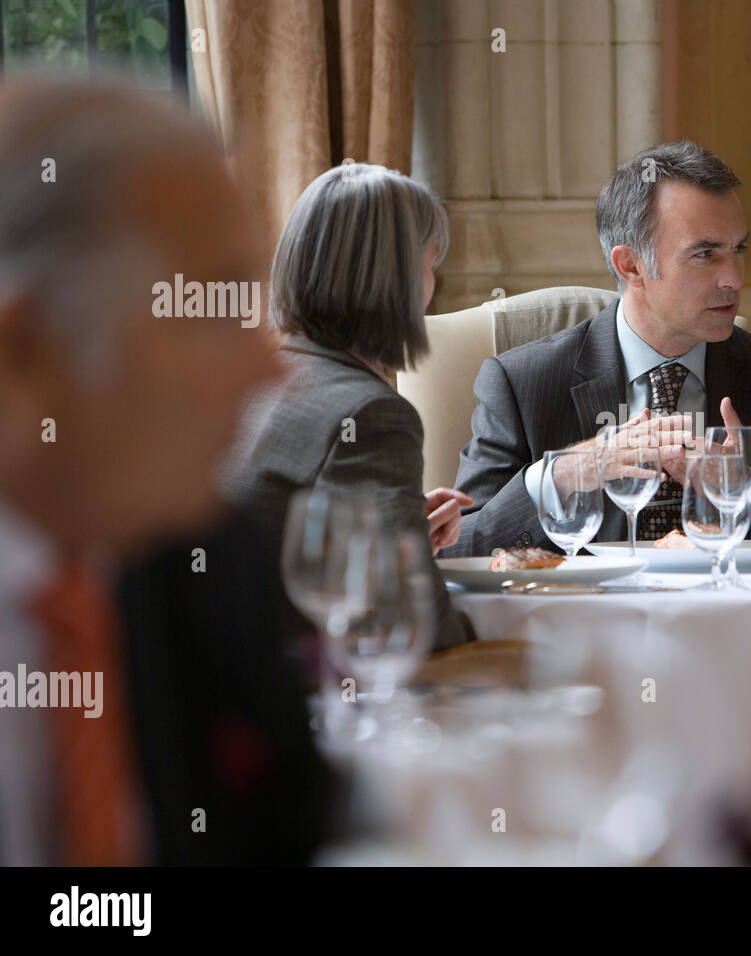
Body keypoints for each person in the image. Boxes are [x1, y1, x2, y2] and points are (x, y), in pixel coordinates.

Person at [0, 74, 329, 864]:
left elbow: (298, 830)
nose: (274, 372)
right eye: (212, 306)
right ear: (26, 351)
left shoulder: (201, 555)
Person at [446, 141, 751, 556]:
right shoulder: (523, 383)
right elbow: (458, 548)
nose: (733, 278)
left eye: (738, 249)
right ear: (631, 266)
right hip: (586, 620)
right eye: (705, 254)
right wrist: (561, 477)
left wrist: (750, 492)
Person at [222, 163, 470, 650]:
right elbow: (418, 632)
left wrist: (404, 533)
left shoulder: (258, 380)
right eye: (428, 264)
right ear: (395, 280)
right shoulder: (372, 415)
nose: (430, 287)